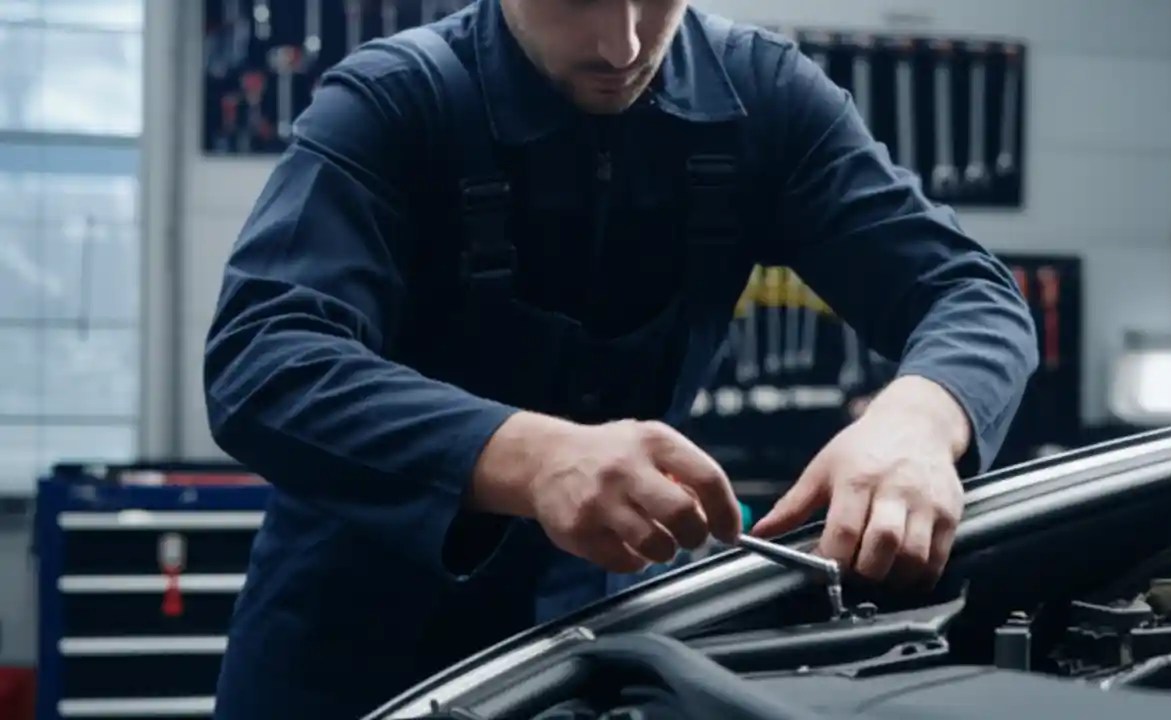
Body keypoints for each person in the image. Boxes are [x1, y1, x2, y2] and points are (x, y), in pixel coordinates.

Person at [203, 0, 1039, 717]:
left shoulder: (765, 100)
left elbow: (969, 291)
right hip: (347, 661)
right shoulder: (392, 100)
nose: (625, 47)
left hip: (606, 643)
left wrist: (919, 419)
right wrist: (529, 459)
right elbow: (262, 356)